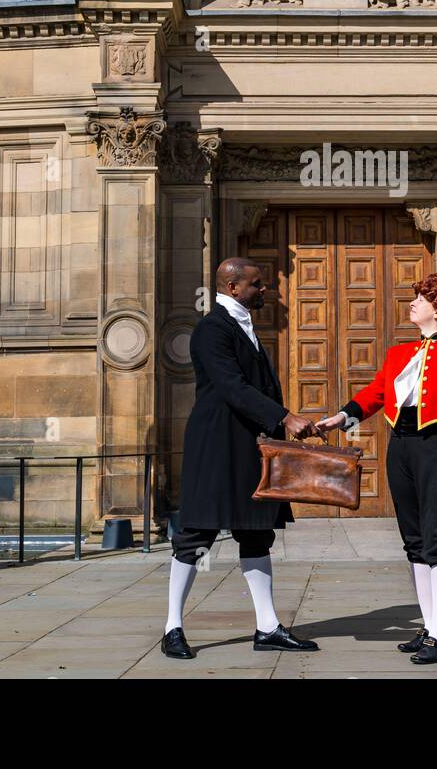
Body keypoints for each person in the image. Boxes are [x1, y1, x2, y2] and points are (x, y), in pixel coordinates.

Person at [316, 273, 437, 664]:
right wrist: (342, 417)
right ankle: (429, 626)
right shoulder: (397, 354)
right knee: (415, 542)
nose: (413, 304)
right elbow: (375, 394)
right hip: (401, 448)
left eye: (422, 299)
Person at [161, 257, 320, 659]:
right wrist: (285, 416)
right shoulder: (212, 329)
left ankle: (267, 627)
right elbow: (231, 386)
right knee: (196, 535)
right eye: (257, 284)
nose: (266, 289)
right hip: (216, 446)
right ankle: (172, 628)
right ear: (233, 288)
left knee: (255, 532)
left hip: (250, 444)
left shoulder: (245, 326)